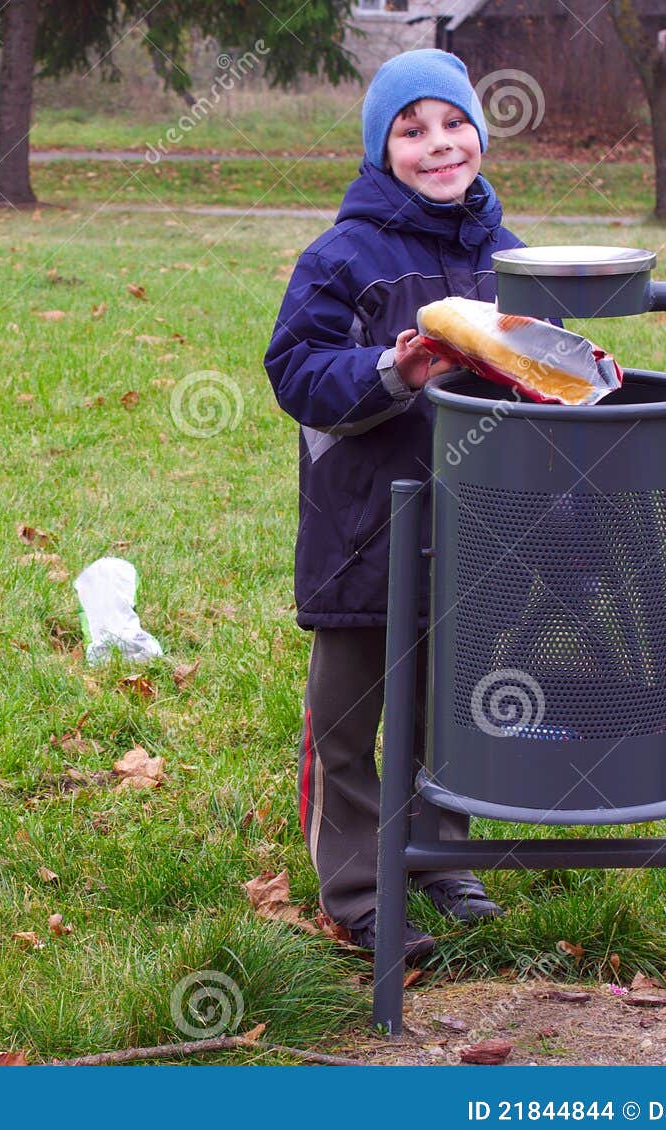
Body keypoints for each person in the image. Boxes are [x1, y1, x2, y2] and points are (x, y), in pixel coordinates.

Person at [264, 49, 521, 962]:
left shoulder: (510, 256)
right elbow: (296, 370)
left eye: (454, 123)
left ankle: (441, 857)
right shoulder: (343, 257)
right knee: (346, 720)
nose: (438, 144)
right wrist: (394, 370)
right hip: (363, 531)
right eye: (412, 131)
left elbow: (547, 361)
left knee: (451, 709)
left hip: (476, 529)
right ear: (382, 151)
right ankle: (358, 890)